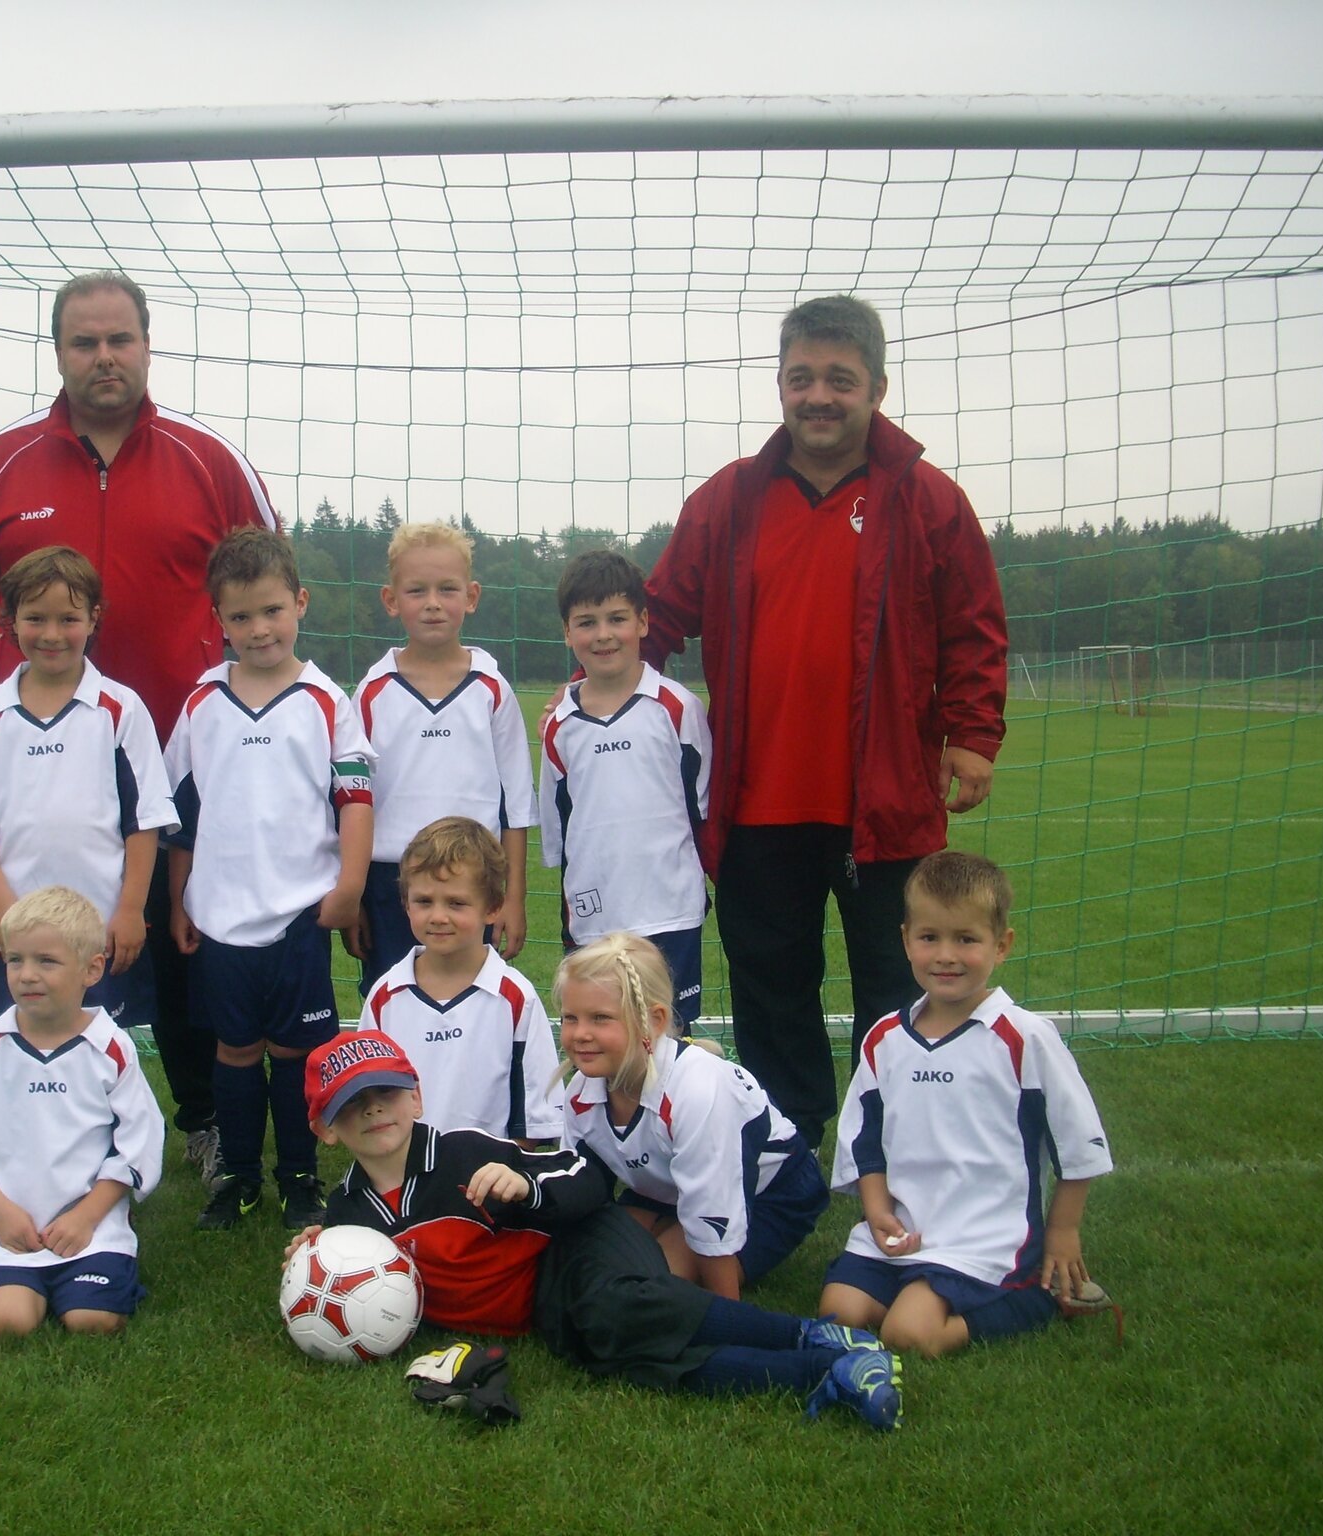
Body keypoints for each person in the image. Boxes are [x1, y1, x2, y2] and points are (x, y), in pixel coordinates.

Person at [640, 294, 1009, 1147]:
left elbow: (974, 627)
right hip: (758, 798)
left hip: (886, 800)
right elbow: (658, 616)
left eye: (839, 380)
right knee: (772, 982)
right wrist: (604, 702)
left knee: (898, 978)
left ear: (877, 388)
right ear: (780, 386)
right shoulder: (729, 499)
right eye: (801, 378)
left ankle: (901, 1140)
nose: (818, 397)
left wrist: (973, 734)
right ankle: (791, 1144)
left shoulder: (927, 499)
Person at [0, 269, 279, 1176]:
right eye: (84, 342)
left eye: (119, 339)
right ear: (58, 352)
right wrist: (44, 668)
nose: (104, 357)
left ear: (146, 345)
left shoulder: (208, 461)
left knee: (184, 945)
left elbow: (262, 579)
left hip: (188, 756)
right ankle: (28, 1130)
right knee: (42, 949)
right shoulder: (2, 465)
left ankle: (206, 1124)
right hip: (45, 768)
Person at [291, 1030, 904, 1428]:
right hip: (546, 1308)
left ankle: (815, 1336)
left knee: (625, 1309)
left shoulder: (461, 1153)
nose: (374, 1109)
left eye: (386, 1092)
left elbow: (585, 1180)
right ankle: (830, 1374)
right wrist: (313, 1261)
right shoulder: (348, 1221)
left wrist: (526, 1186)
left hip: (579, 1246)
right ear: (325, 1129)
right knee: (625, 1358)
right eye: (352, 1103)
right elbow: (367, 1287)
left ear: (417, 1098)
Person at [818, 852, 1113, 1358]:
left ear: (1002, 945)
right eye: (929, 937)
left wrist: (1063, 1232)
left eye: (966, 940)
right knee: (838, 1311)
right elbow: (866, 1142)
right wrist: (878, 1211)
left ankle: (1039, 1296)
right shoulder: (884, 1039)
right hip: (906, 1230)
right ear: (906, 939)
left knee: (909, 1335)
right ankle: (919, 1296)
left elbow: (1077, 1141)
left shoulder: (1025, 1037)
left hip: (985, 1237)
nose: (946, 956)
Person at [163, 527, 373, 1231]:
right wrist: (179, 899)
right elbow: (182, 813)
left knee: (295, 1052)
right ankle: (239, 1179)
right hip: (221, 916)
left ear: (300, 603)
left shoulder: (326, 700)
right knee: (234, 1051)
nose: (259, 629)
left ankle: (301, 1179)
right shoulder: (201, 702)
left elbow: (356, 800)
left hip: (298, 916)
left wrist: (349, 888)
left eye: (273, 610)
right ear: (218, 620)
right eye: (242, 615)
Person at [0, 546, 176, 1026]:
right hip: (16, 930)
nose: (51, 634)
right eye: (35, 618)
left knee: (97, 1051)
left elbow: (145, 818)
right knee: (14, 1048)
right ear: (11, 621)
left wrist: (131, 908)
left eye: (68, 619)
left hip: (97, 929)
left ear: (93, 619)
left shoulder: (120, 709)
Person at [0, 885, 166, 1336]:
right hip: (7, 1223)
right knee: (7, 1323)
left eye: (46, 961)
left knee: (92, 1320)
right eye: (15, 960)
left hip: (89, 1225)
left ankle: (86, 1275)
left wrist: (87, 1216)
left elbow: (140, 1140)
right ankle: (13, 1282)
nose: (27, 975)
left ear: (92, 969)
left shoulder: (111, 1048)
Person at [558, 933, 827, 1299]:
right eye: (570, 1018)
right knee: (590, 1268)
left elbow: (713, 1209)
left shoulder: (697, 1089)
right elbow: (578, 1190)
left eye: (600, 1018)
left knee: (647, 1288)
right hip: (665, 1191)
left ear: (654, 1021)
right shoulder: (579, 1094)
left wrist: (725, 1311)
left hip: (768, 1192)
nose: (580, 1034)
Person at [351, 522, 537, 987]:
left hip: (473, 880)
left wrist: (513, 897)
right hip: (390, 884)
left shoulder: (492, 689)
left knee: (472, 999)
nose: (432, 602)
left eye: (447, 589)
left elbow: (516, 805)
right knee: (394, 999)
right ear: (391, 600)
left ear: (471, 596)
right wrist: (353, 896)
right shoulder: (371, 693)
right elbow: (352, 803)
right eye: (417, 590)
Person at [540, 548, 712, 1031]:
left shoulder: (678, 709)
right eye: (586, 622)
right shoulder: (558, 725)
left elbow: (702, 811)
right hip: (595, 916)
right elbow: (560, 828)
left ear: (643, 622)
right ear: (567, 632)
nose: (603, 634)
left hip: (670, 911)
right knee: (600, 1034)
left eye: (617, 618)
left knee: (670, 1037)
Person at [355, 817, 559, 1143]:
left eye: (456, 903)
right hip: (405, 1169)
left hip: (492, 1172)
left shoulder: (516, 997)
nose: (438, 916)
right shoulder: (384, 996)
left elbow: (533, 1117)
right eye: (424, 901)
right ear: (405, 903)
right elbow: (368, 1098)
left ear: (492, 908)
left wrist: (507, 1166)